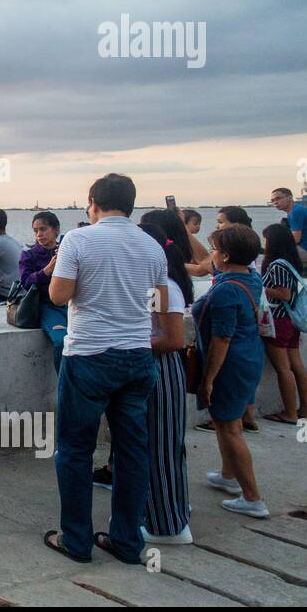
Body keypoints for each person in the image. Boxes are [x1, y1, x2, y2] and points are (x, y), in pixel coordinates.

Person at [43, 174, 167, 565]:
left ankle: (76, 541)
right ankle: (127, 542)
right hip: (137, 357)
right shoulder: (152, 247)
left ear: (92, 201)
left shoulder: (79, 240)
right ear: (131, 203)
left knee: (75, 449)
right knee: (133, 452)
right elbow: (158, 305)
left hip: (89, 356)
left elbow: (58, 295)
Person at [109, 211, 195, 544]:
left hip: (161, 369)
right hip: (153, 367)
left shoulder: (167, 287)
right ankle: (172, 512)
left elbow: (173, 339)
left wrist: (128, 341)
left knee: (160, 447)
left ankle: (167, 527)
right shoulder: (161, 283)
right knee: (163, 445)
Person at [192, 224, 269, 518]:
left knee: (229, 426)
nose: (210, 253)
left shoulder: (225, 291)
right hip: (250, 355)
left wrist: (209, 379)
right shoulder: (251, 278)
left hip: (230, 363)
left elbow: (221, 339)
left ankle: (253, 497)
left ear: (224, 256)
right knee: (227, 418)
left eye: (214, 249)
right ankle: (227, 475)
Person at [260, 223, 307, 424]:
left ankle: (290, 413)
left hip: (279, 320)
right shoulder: (291, 262)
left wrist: (260, 288)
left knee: (283, 368)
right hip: (290, 322)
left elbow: (284, 294)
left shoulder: (277, 265)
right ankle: (306, 410)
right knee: (297, 365)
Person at [18, 211, 67, 372]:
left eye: (43, 229)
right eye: (36, 230)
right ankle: (64, 387)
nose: (39, 234)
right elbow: (25, 282)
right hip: (47, 305)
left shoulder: (68, 250)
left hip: (73, 304)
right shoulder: (29, 255)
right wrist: (46, 271)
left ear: (56, 230)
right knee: (61, 341)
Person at [270, 187, 307, 276]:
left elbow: (296, 239)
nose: (275, 202)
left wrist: (274, 245)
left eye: (278, 198)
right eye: (273, 200)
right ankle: (305, 266)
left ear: (290, 197)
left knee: (274, 253)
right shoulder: (295, 210)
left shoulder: (296, 212)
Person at [182, 209, 211, 274]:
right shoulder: (183, 239)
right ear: (184, 224)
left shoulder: (191, 240)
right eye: (195, 224)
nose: (198, 227)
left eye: (199, 224)